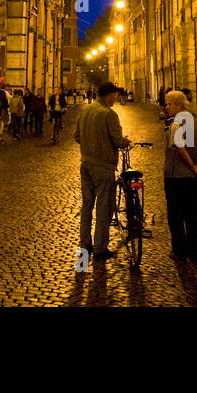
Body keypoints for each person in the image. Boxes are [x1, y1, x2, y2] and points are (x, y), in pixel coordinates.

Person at [74, 81, 131, 263]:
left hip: (85, 163)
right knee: (103, 208)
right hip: (103, 166)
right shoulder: (109, 114)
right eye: (115, 95)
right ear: (109, 95)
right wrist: (125, 142)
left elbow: (76, 136)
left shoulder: (85, 111)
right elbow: (117, 140)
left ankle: (84, 244)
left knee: (86, 206)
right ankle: (100, 247)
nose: (116, 98)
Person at [163, 89, 197, 261]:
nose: (166, 107)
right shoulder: (196, 121)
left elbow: (179, 148)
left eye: (169, 104)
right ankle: (195, 251)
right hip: (192, 178)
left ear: (178, 105)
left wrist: (193, 166)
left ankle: (179, 250)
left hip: (176, 176)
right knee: (192, 215)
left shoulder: (176, 123)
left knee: (176, 215)